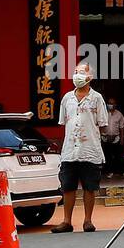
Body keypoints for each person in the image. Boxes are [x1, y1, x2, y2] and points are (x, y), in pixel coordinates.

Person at [51, 62, 107, 233]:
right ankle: (66, 221)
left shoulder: (97, 98)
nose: (77, 75)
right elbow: (63, 122)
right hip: (69, 151)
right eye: (76, 72)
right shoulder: (67, 98)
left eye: (81, 72)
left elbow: (102, 124)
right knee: (68, 187)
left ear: (90, 77)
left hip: (90, 150)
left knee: (90, 187)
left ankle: (87, 220)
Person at [101, 97, 124, 176]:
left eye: (112, 103)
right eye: (109, 103)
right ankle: (110, 172)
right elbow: (100, 125)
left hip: (116, 138)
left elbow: (122, 127)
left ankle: (122, 172)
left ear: (115, 105)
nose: (110, 105)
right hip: (106, 138)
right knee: (108, 156)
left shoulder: (119, 114)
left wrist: (122, 139)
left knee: (119, 156)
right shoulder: (104, 114)